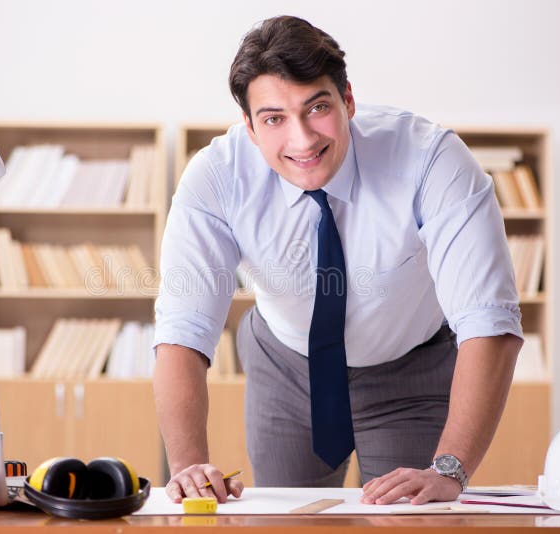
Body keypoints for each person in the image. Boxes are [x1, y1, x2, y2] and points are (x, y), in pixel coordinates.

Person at [152, 15, 523, 506]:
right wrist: (188, 466)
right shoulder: (217, 177)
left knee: (407, 517)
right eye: (274, 119)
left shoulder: (431, 159)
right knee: (288, 519)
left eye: (318, 107)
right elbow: (183, 328)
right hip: (285, 365)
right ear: (249, 125)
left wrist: (451, 468)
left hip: (408, 365)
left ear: (348, 99)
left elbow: (488, 320)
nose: (302, 139)